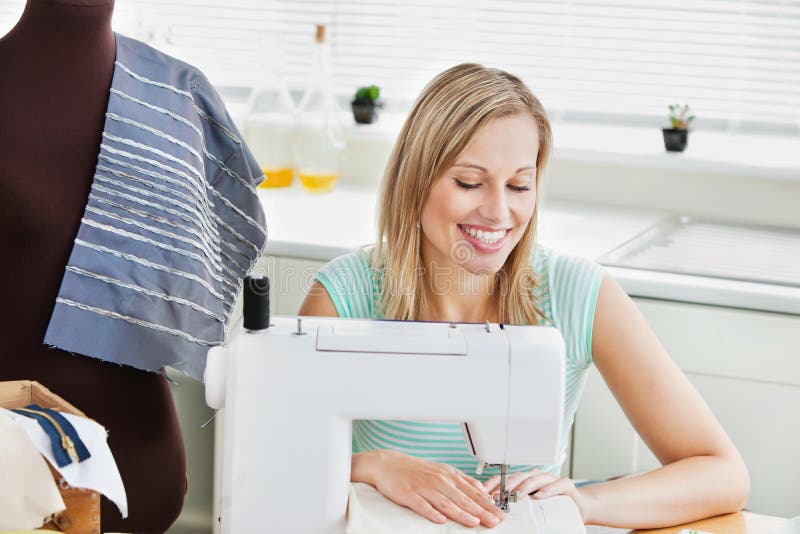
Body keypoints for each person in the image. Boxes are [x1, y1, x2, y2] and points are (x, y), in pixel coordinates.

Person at [298, 63, 749, 529]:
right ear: (415, 180)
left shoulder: (577, 294)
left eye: (518, 185)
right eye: (469, 182)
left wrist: (585, 502)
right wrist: (372, 466)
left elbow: (722, 473)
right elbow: (279, 451)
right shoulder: (344, 296)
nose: (498, 212)